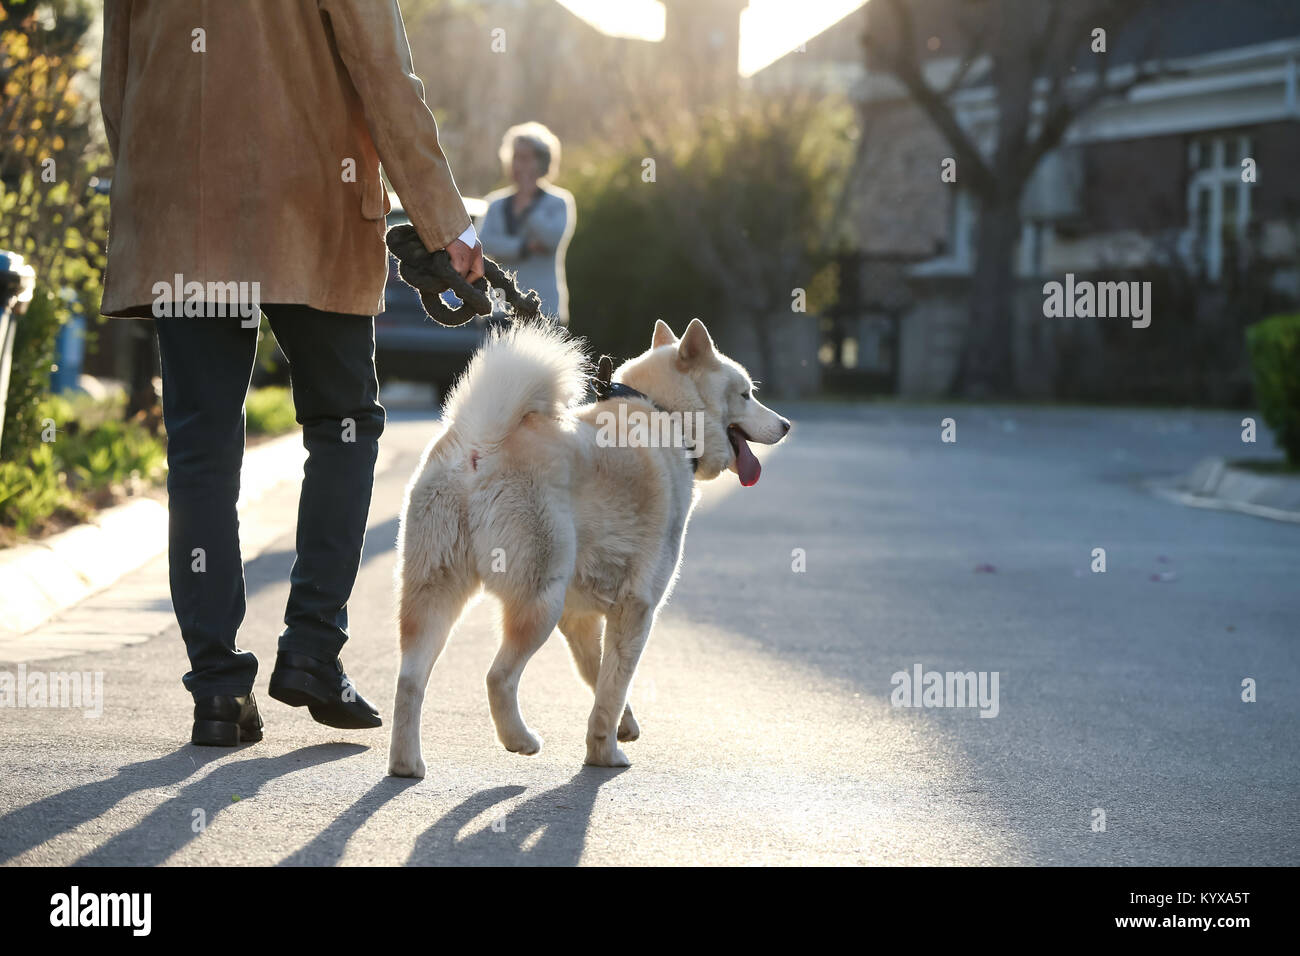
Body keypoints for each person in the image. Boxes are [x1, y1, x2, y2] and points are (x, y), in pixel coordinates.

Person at [99, 0, 483, 746]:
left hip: (183, 213)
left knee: (201, 452)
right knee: (344, 424)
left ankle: (215, 689)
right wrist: (444, 222)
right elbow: (380, 68)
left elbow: (117, 76)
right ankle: (311, 646)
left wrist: (145, 190)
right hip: (310, 206)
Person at [478, 122, 576, 324]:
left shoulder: (559, 202)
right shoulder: (494, 204)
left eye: (525, 158)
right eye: (514, 157)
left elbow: (551, 241)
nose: (517, 165)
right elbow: (483, 243)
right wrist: (524, 247)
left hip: (546, 310)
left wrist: (528, 206)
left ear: (543, 162)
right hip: (499, 309)